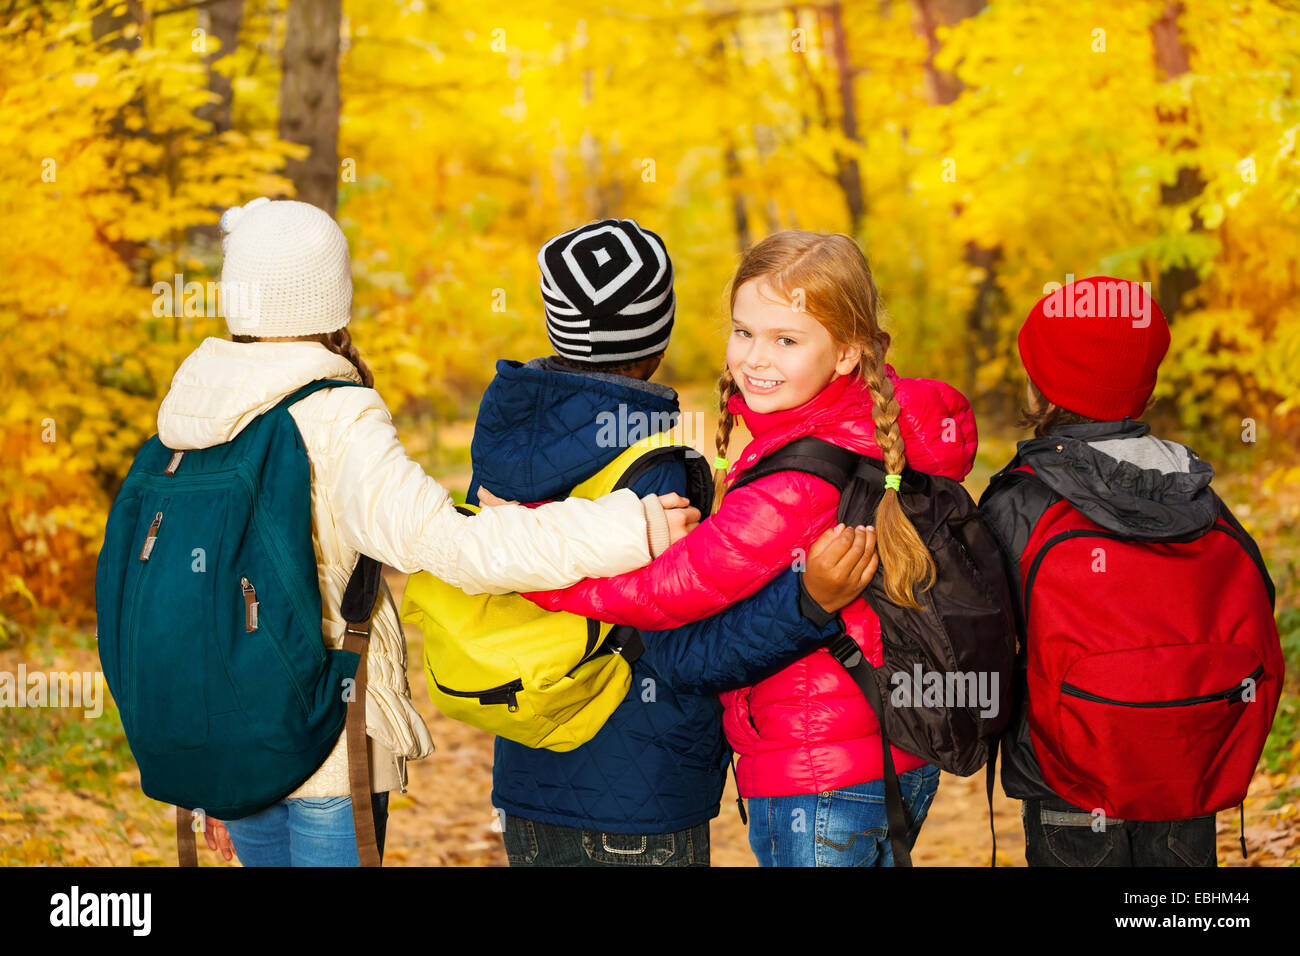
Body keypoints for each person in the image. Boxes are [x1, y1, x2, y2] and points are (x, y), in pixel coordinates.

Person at [158, 198, 698, 866]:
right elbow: (454, 549)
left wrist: (206, 781)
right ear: (332, 296)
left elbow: (186, 611)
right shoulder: (336, 418)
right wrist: (625, 526)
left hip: (230, 745)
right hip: (325, 743)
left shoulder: (187, 422)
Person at [525, 230, 980, 866]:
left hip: (816, 768)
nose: (755, 359)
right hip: (892, 750)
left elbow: (665, 592)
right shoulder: (885, 430)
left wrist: (531, 566)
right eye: (744, 332)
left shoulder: (796, 483)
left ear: (848, 352)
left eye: (786, 340)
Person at [475, 220, 880, 866]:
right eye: (745, 333)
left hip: (527, 772)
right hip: (643, 790)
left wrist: (515, 557)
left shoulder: (501, 450)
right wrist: (806, 605)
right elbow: (684, 646)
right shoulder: (660, 467)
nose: (754, 354)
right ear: (658, 332)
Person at [980, 275, 1275, 867]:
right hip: (1188, 766)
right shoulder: (1198, 496)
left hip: (1063, 773)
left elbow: (979, 636)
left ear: (1039, 391)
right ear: (1147, 388)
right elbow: (1256, 598)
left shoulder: (1020, 503)